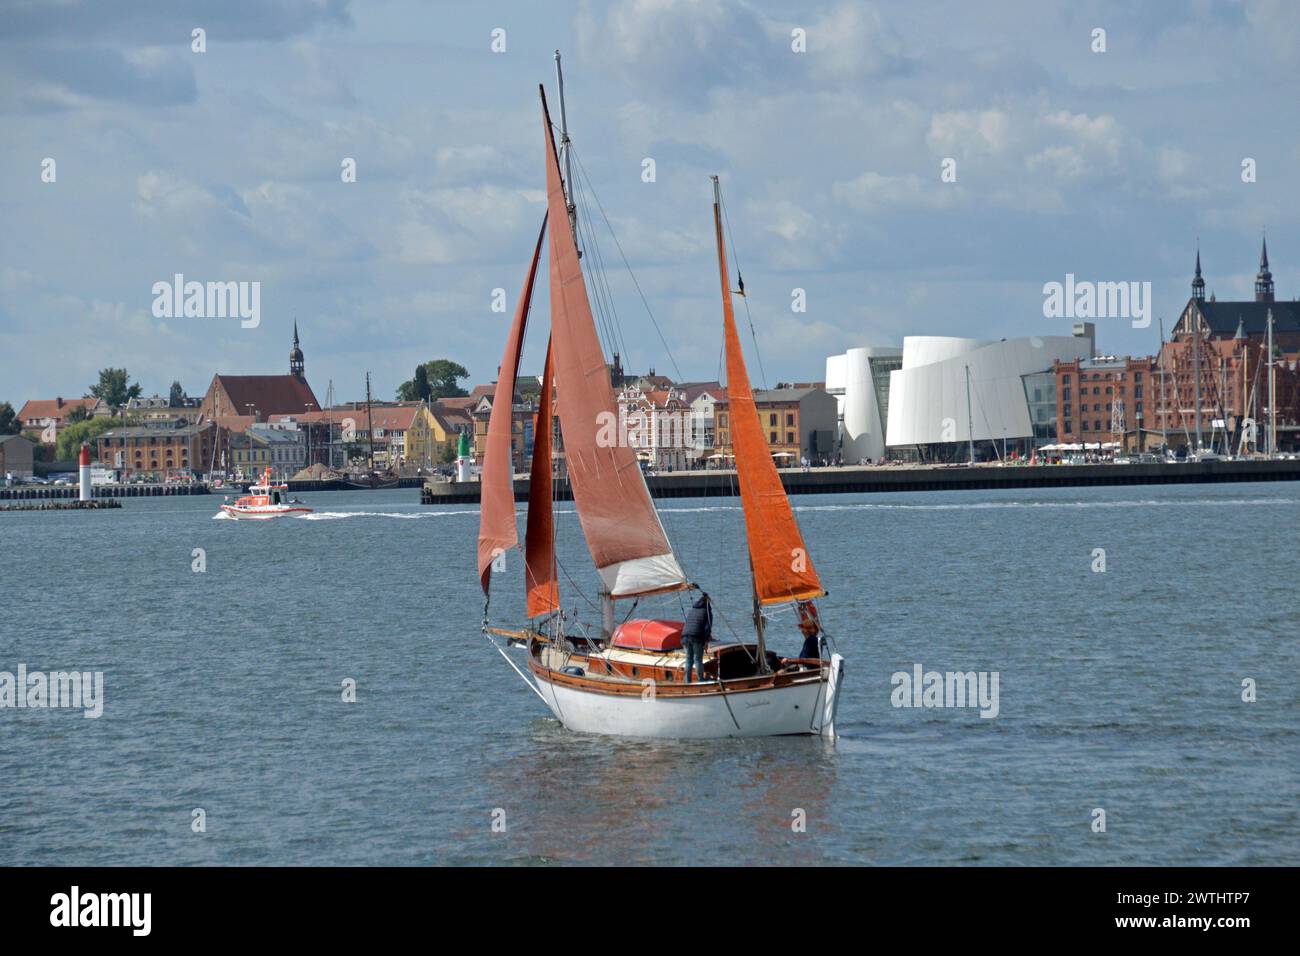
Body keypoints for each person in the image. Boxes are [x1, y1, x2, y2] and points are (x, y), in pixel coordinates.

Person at [681, 592, 713, 682]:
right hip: (696, 637)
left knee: (688, 660)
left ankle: (687, 682)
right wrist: (706, 641)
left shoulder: (693, 610)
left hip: (684, 637)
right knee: (697, 659)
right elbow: (707, 628)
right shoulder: (707, 612)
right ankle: (701, 680)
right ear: (708, 603)